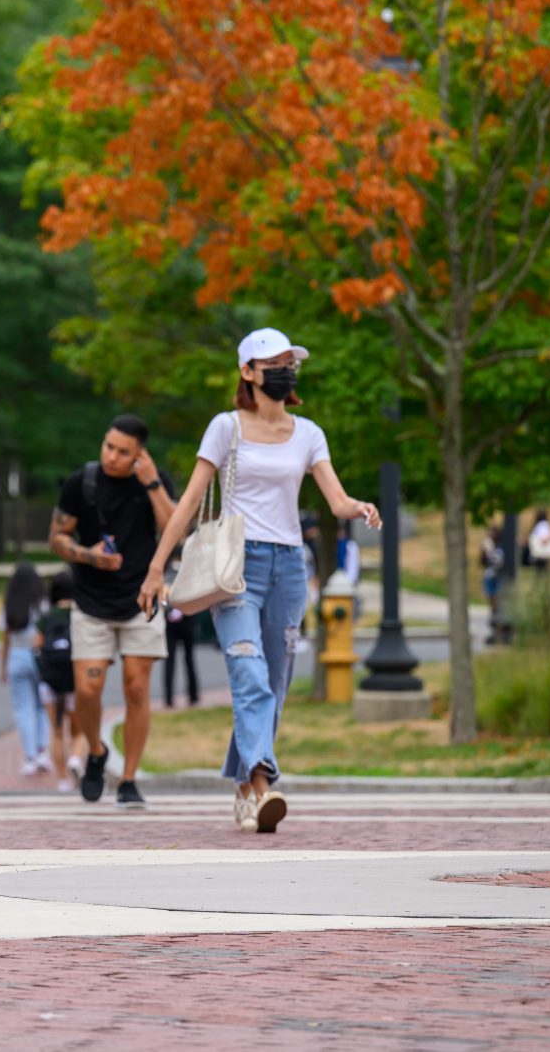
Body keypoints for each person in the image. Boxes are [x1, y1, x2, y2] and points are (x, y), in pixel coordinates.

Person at [140, 328, 380, 835]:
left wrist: (357, 506)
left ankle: (244, 789)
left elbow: (334, 500)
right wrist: (159, 565)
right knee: (248, 673)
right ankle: (262, 783)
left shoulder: (310, 433)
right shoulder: (225, 427)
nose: (285, 370)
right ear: (248, 371)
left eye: (290, 362)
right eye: (273, 363)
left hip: (290, 567)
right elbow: (188, 501)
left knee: (273, 682)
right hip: (237, 567)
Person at [48, 413, 175, 809]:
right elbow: (56, 537)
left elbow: (175, 531)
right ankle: (97, 751)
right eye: (109, 446)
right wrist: (89, 556)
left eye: (123, 451)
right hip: (90, 602)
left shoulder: (153, 482)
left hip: (142, 600)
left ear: (140, 454)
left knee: (137, 689)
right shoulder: (81, 482)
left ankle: (129, 779)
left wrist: (152, 482)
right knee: (87, 690)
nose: (112, 457)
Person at [0, 563, 49, 776]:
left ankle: (29, 757)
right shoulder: (42, 604)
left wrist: (3, 668)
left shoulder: (10, 604)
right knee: (42, 706)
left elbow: (6, 639)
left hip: (17, 657)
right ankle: (43, 751)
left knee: (23, 709)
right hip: (39, 657)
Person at [37, 572, 84, 791]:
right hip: (74, 677)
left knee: (56, 730)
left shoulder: (46, 617)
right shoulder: (80, 615)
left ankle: (63, 779)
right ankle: (75, 757)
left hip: (49, 680)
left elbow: (37, 645)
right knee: (79, 730)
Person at [163, 607, 201, 709]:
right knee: (169, 659)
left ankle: (193, 697)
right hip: (169, 619)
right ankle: (168, 699)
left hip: (188, 617)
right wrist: (168, 611)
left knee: (189, 659)